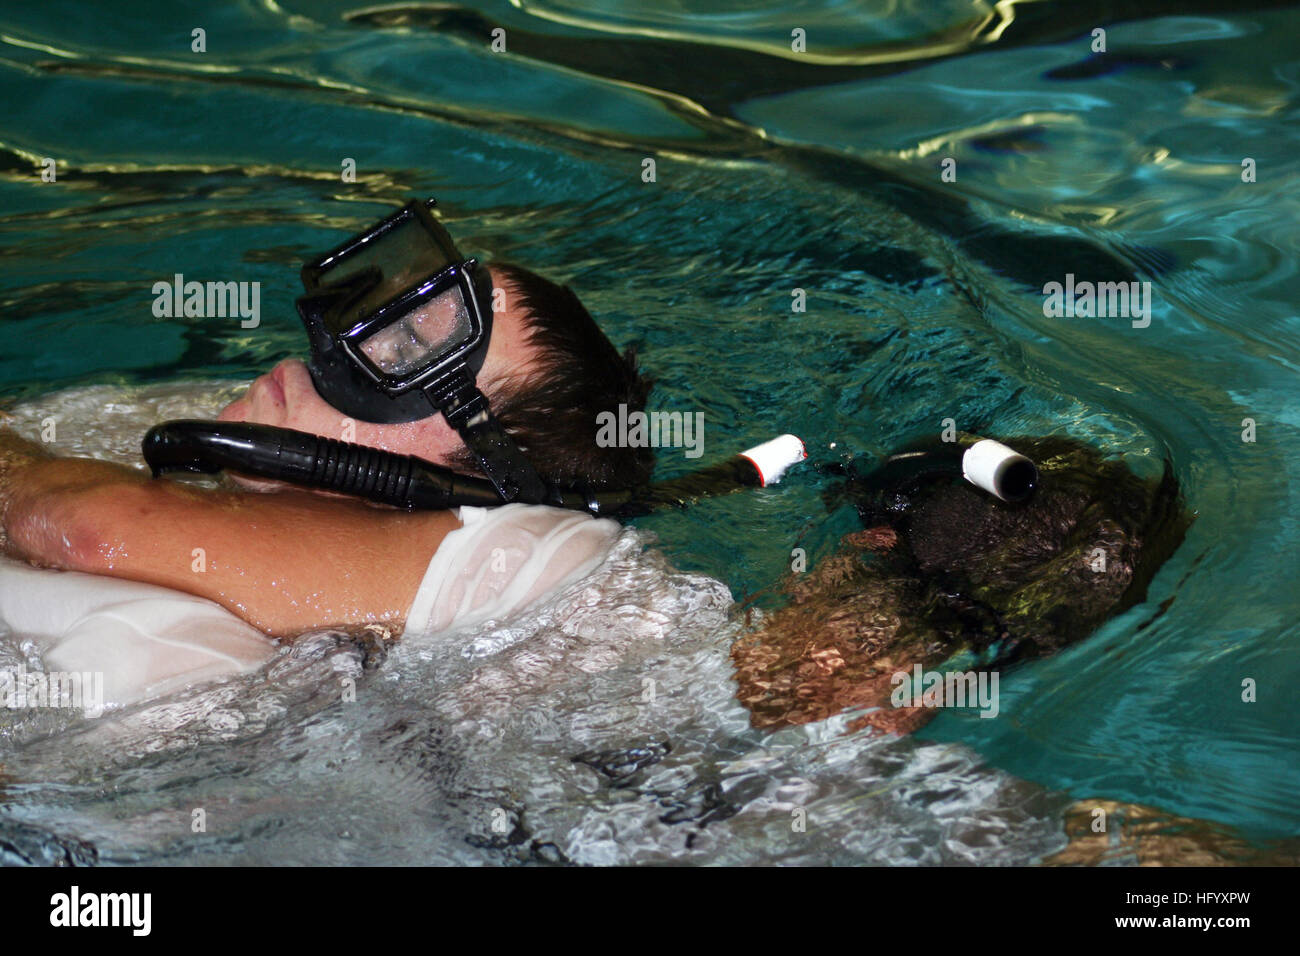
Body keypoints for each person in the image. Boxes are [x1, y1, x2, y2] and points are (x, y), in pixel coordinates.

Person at [0, 205, 655, 707]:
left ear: (474, 490)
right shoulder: (215, 421)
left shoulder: (531, 566)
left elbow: (87, 525)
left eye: (402, 356)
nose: (320, 361)